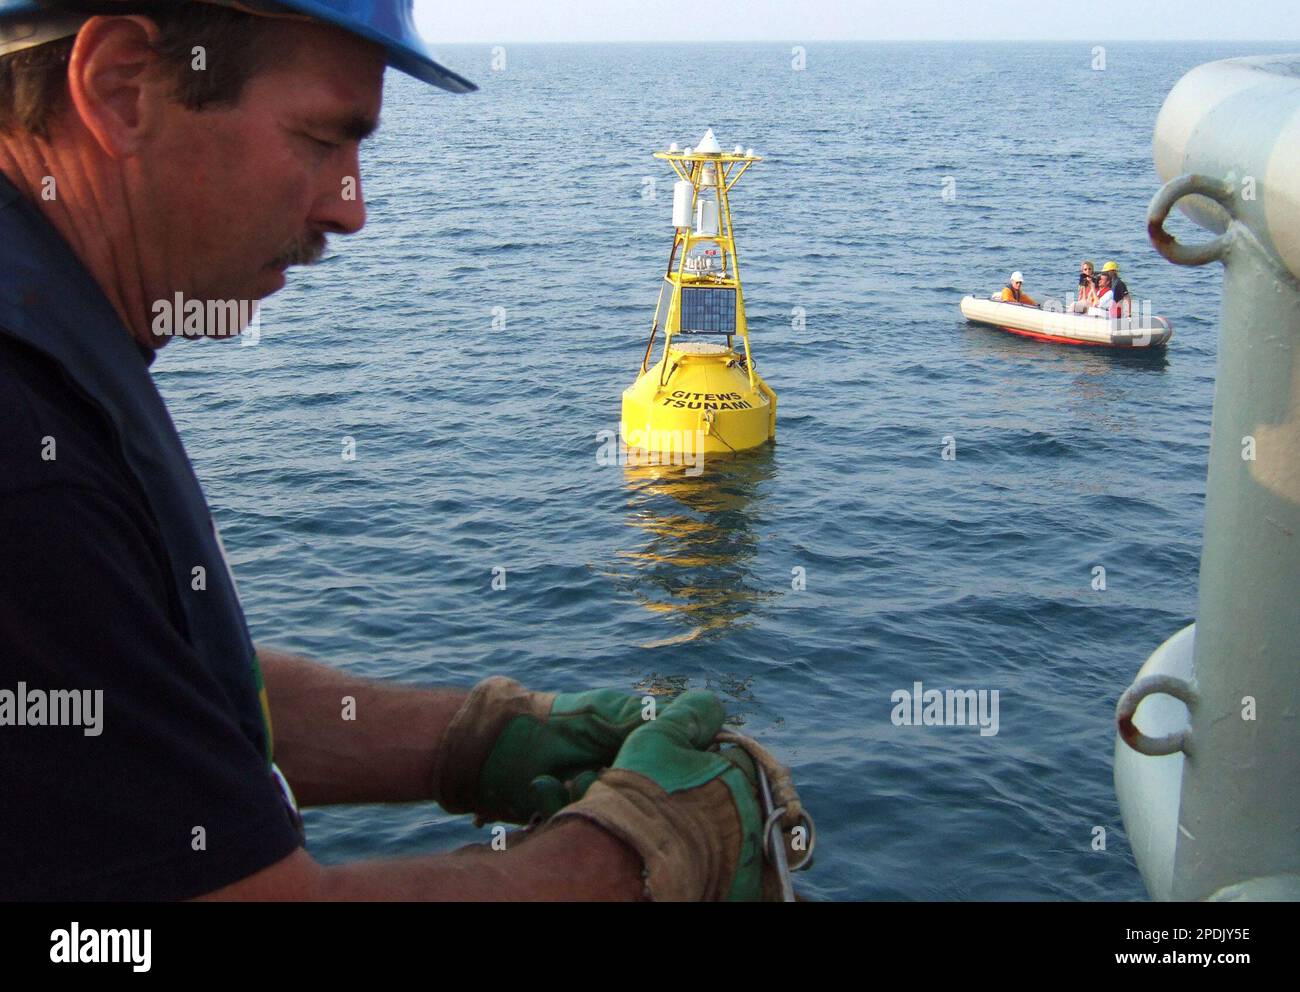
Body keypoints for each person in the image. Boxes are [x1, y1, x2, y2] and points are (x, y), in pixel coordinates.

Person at [0, 1, 773, 902]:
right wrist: (628, 856)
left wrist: (480, 740)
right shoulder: (23, 451)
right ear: (122, 87)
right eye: (324, 140)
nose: (351, 208)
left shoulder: (52, 346)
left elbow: (150, 703)